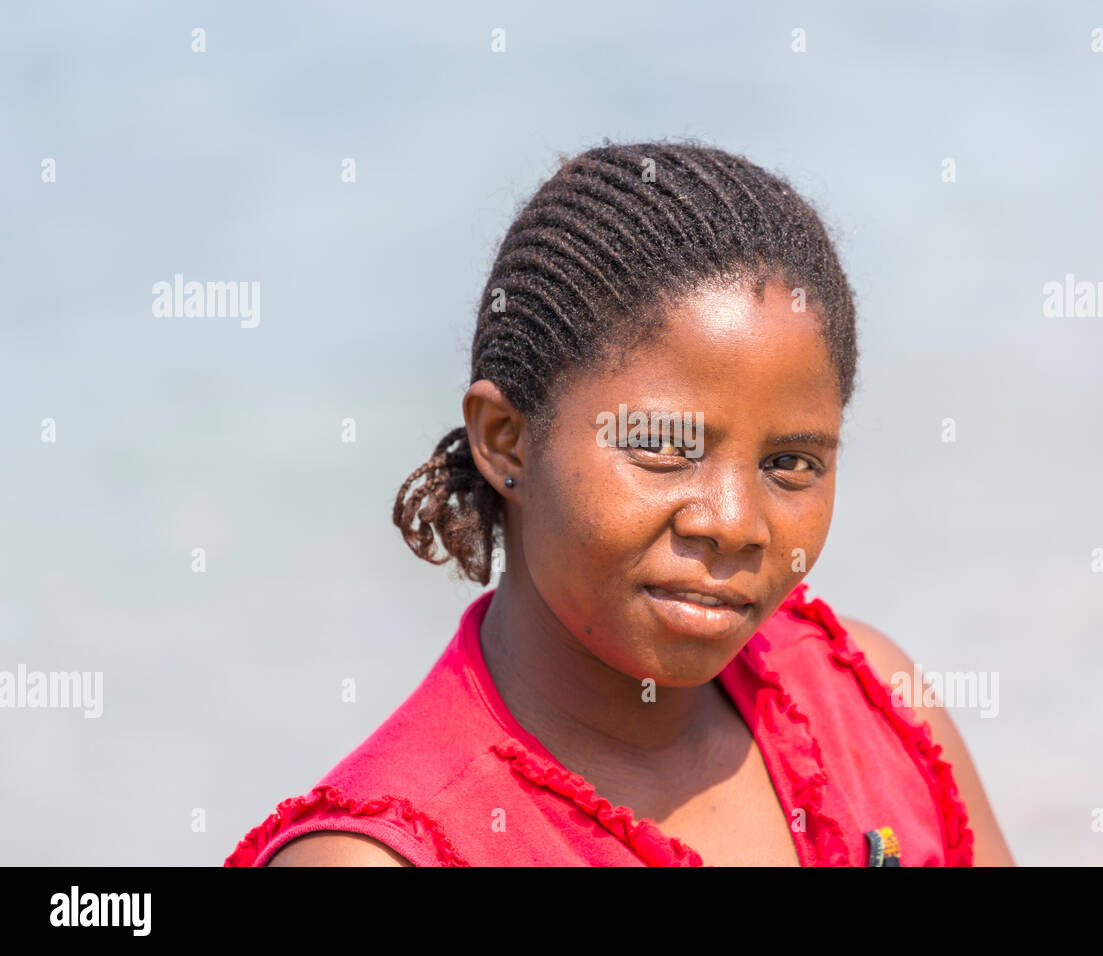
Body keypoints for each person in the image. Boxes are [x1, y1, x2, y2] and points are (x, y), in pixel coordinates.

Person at [225, 139, 1015, 866]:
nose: (735, 523)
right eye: (666, 448)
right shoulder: (394, 854)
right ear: (507, 440)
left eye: (790, 463)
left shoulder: (866, 703)